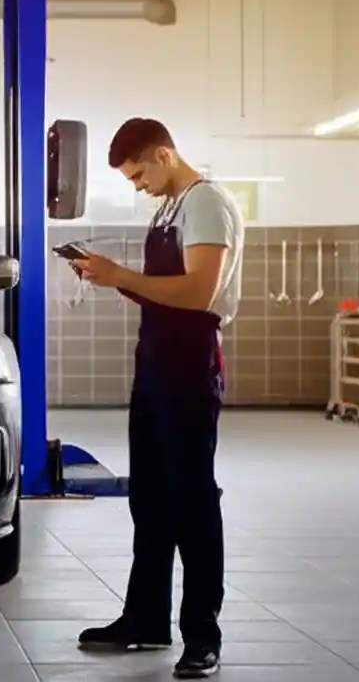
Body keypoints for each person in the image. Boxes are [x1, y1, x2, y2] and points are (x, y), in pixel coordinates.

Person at [69, 118, 243, 679]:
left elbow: (198, 291)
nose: (137, 185)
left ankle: (202, 635)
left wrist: (124, 273)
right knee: (150, 495)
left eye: (140, 172)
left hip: (190, 361)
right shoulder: (169, 209)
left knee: (192, 496)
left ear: (164, 154)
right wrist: (109, 276)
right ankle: (145, 619)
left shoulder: (206, 203)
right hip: (156, 359)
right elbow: (162, 290)